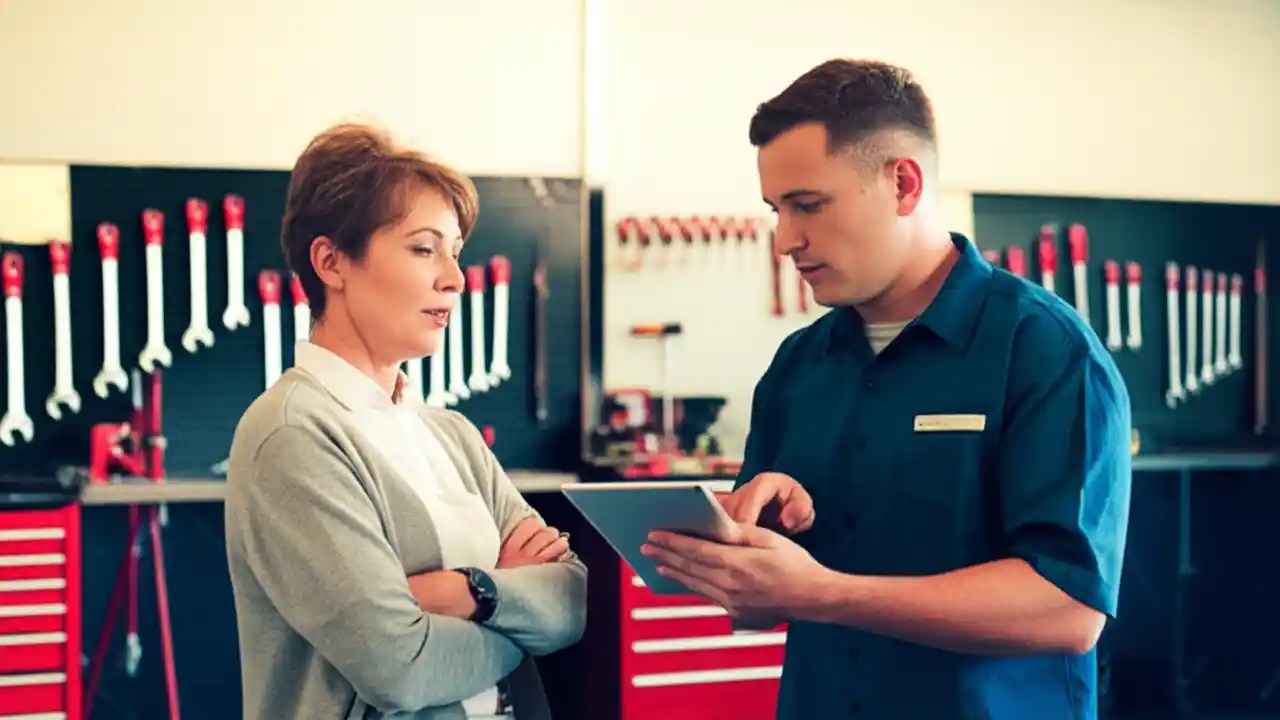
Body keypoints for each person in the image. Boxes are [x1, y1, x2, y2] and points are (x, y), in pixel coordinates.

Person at [641, 59, 1132, 719]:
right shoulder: (797, 367)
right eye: (776, 210)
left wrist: (823, 591)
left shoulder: (1045, 352)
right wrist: (742, 556)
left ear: (903, 183)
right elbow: (760, 606)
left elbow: (1067, 609)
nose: (784, 240)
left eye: (808, 205)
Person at [224, 123, 587, 720]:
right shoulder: (292, 437)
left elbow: (570, 602)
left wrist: (469, 590)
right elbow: (400, 668)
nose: (454, 277)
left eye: (456, 252)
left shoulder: (452, 436)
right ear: (331, 262)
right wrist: (515, 615)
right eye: (424, 249)